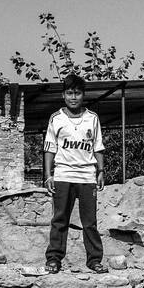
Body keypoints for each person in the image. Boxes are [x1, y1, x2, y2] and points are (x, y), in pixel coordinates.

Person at [43, 74, 106, 273]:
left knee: (90, 222)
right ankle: (54, 259)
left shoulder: (92, 118)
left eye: (77, 93)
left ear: (83, 95)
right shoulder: (56, 118)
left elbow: (98, 147)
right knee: (59, 219)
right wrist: (48, 175)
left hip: (87, 176)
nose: (73, 97)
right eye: (69, 93)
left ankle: (94, 260)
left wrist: (101, 171)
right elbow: (49, 148)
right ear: (63, 95)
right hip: (63, 175)